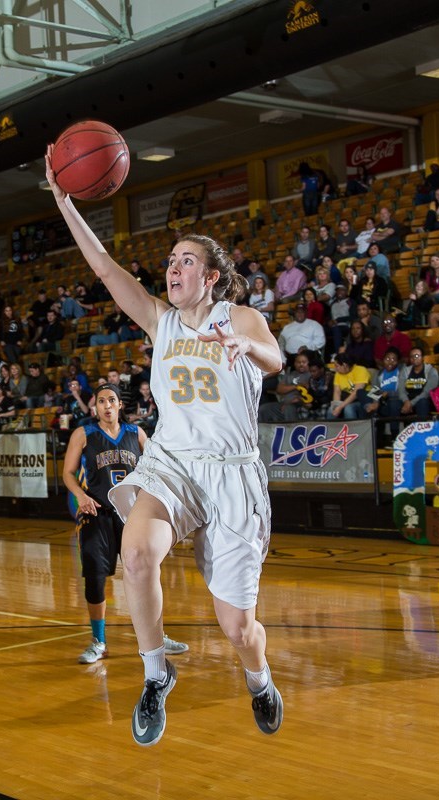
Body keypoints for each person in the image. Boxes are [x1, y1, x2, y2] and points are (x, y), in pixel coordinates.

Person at [46, 148, 286, 745]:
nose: (172, 267)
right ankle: (157, 673)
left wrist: (245, 349)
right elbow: (104, 267)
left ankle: (259, 678)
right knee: (136, 553)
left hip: (233, 474)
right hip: (175, 462)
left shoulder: (241, 317)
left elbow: (276, 359)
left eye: (186, 261)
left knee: (237, 626)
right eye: (171, 259)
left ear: (210, 278)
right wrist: (64, 202)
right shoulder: (162, 321)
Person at [64, 384, 189, 665]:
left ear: (120, 405)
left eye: (111, 400)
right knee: (95, 576)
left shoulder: (137, 434)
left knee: (147, 572)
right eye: (100, 402)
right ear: (94, 407)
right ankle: (99, 642)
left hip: (132, 514)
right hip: (96, 512)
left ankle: (158, 636)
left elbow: (157, 465)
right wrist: (81, 495)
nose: (106, 406)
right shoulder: (83, 434)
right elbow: (68, 473)